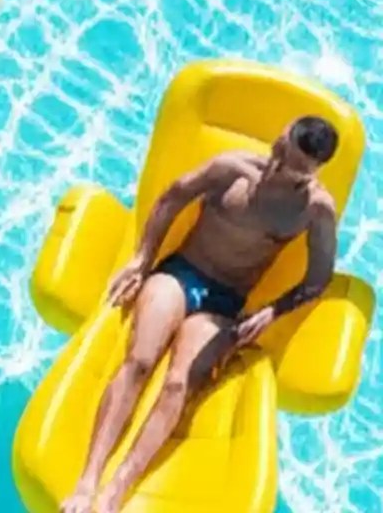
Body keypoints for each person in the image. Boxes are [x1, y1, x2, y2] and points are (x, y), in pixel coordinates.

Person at [60, 115, 342, 513]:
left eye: (293, 166)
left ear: (313, 171)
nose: (278, 164)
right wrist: (143, 258)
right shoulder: (233, 168)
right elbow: (173, 197)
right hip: (181, 274)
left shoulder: (315, 210)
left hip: (224, 303)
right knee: (140, 359)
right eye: (281, 150)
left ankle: (115, 491)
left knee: (179, 383)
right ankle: (88, 482)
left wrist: (273, 311)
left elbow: (319, 278)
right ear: (282, 136)